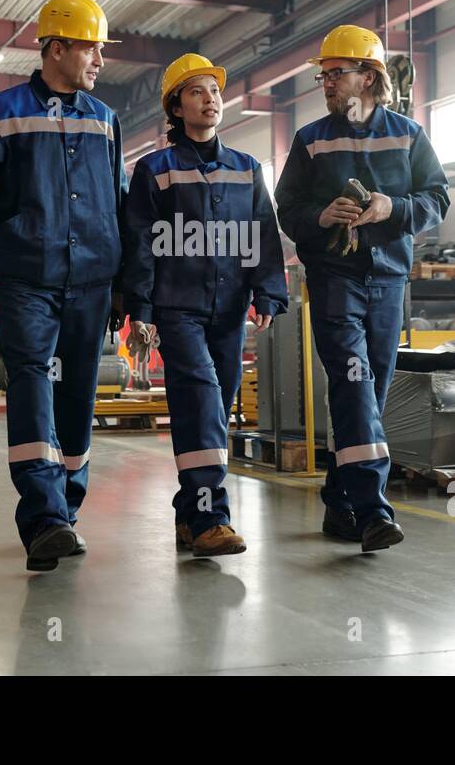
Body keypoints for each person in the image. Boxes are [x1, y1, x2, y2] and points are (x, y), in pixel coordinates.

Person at [0, 0, 127, 572]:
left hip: (93, 284)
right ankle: (43, 517)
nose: (99, 59)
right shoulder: (1, 114)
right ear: (56, 47)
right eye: (91, 47)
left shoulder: (105, 121)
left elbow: (119, 209)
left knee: (77, 396)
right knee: (32, 385)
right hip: (26, 282)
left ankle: (65, 513)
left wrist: (126, 289)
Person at [274, 25, 450, 553]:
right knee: (352, 385)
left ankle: (339, 501)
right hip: (334, 278)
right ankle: (374, 509)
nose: (326, 84)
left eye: (336, 74)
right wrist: (321, 214)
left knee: (369, 392)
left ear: (369, 77)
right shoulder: (311, 140)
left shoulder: (409, 135)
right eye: (323, 76)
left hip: (388, 279)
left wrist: (390, 208)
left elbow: (436, 199)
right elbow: (286, 210)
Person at [121, 54, 288, 557]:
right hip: (178, 309)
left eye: (214, 91)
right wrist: (143, 312)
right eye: (196, 92)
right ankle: (212, 517)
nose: (209, 99)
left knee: (217, 403)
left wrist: (268, 291)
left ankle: (188, 514)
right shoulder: (155, 170)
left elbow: (262, 231)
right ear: (176, 105)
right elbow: (142, 244)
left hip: (230, 309)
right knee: (200, 401)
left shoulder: (245, 168)